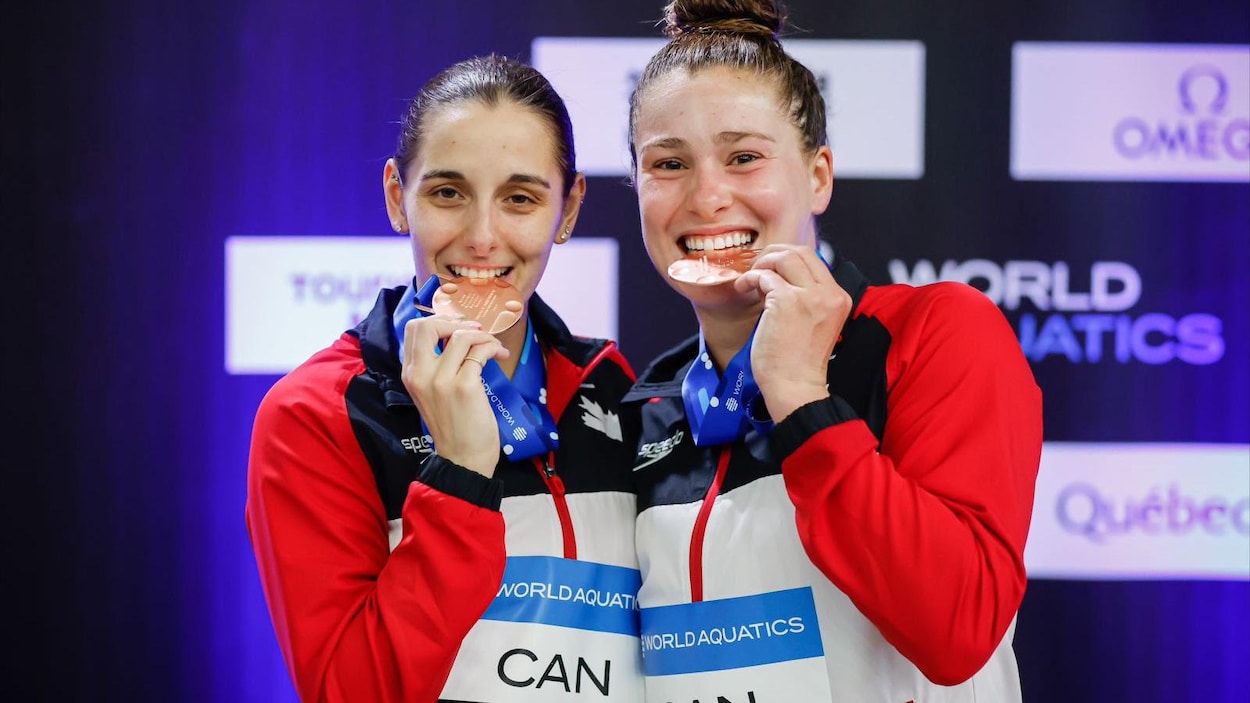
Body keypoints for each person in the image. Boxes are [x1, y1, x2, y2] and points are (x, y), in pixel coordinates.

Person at [621, 1, 1043, 701]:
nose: (707, 195)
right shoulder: (644, 403)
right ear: (636, 185)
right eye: (668, 163)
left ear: (818, 175)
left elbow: (956, 630)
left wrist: (803, 402)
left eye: (744, 156)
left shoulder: (932, 333)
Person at [246, 55, 644, 702]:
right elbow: (353, 691)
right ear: (395, 197)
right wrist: (459, 472)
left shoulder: (611, 385)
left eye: (520, 198)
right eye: (447, 193)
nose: (482, 237)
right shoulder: (316, 413)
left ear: (568, 210)